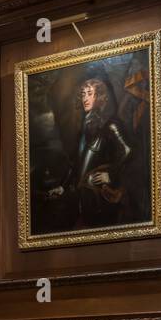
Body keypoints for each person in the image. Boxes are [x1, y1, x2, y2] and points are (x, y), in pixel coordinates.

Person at [43, 75, 138, 229]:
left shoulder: (111, 124)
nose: (85, 98)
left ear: (100, 96)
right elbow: (77, 164)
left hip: (102, 200)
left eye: (89, 93)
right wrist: (63, 187)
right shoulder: (85, 128)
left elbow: (130, 154)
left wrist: (111, 175)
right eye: (83, 94)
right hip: (84, 200)